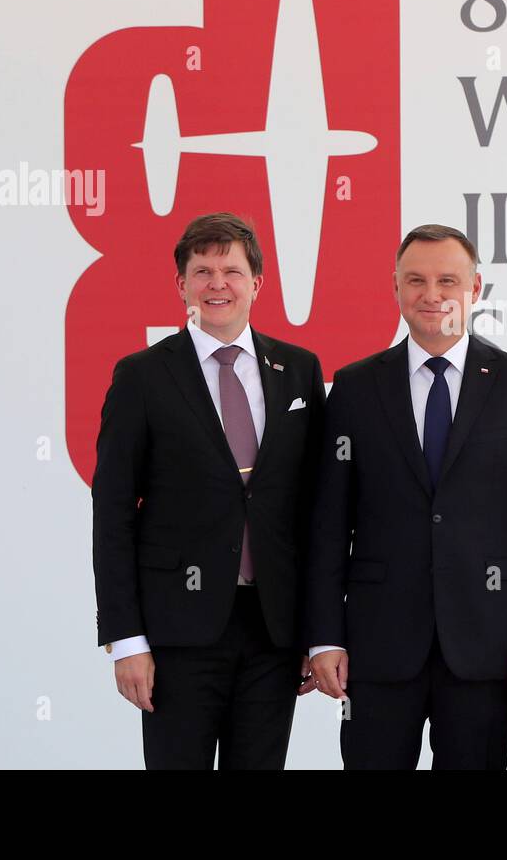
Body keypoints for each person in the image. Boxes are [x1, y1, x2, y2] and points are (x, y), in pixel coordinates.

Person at [306, 224, 507, 769]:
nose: (432, 295)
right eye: (416, 281)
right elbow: (327, 524)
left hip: (485, 643)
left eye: (447, 281)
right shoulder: (354, 387)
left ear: (475, 288)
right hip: (377, 646)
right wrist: (323, 637)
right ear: (396, 288)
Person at [92, 212, 325, 768]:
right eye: (202, 271)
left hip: (274, 634)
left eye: (232, 271)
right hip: (177, 634)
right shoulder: (142, 376)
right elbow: (114, 512)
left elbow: (315, 509)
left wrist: (318, 634)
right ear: (182, 285)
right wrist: (127, 640)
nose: (217, 284)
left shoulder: (298, 370)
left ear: (256, 283)